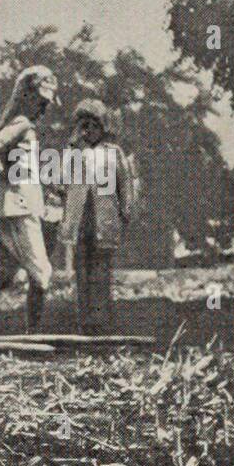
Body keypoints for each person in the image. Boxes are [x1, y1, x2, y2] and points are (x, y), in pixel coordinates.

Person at [0, 65, 58, 332]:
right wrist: (2, 173)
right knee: (42, 273)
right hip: (19, 206)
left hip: (20, 203)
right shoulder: (21, 124)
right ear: (26, 96)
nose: (42, 107)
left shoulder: (25, 125)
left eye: (45, 103)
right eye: (39, 100)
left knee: (11, 274)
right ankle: (33, 335)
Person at [60, 99, 132, 334]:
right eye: (84, 126)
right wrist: (72, 145)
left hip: (104, 218)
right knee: (81, 268)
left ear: (103, 127)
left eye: (94, 125)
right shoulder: (73, 153)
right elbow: (60, 182)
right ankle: (84, 319)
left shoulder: (113, 153)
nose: (89, 131)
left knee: (101, 268)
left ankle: (101, 320)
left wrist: (126, 210)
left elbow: (125, 183)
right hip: (81, 220)